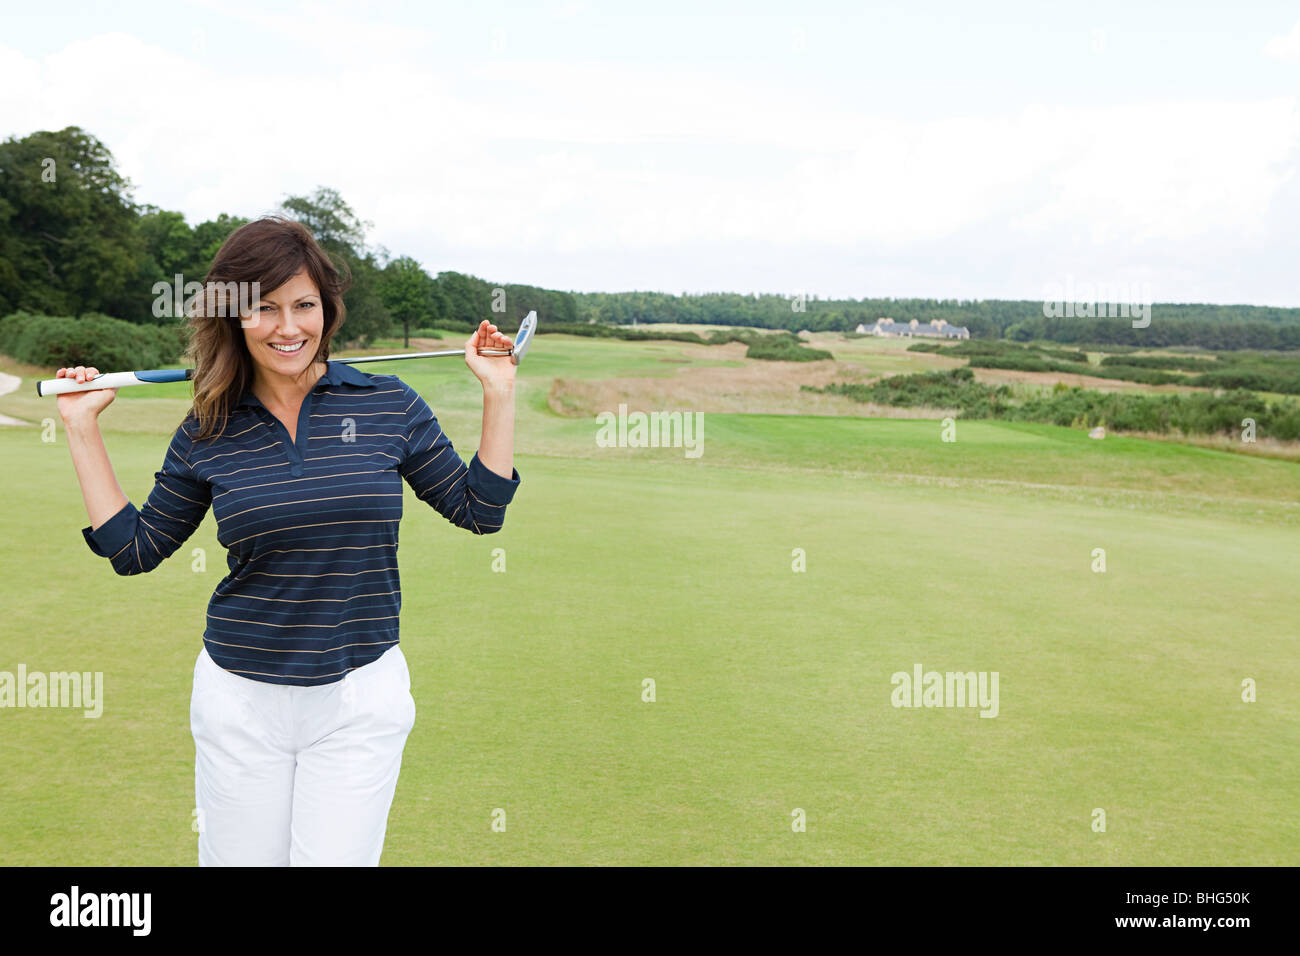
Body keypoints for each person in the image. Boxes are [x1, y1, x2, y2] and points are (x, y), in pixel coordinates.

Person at [59, 216, 521, 865]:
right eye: (264, 308)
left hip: (358, 698)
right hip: (240, 702)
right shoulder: (208, 428)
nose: (288, 327)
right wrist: (82, 429)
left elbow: (479, 510)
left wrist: (498, 395)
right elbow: (134, 549)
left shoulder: (389, 405)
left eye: (304, 305)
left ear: (327, 311)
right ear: (233, 317)